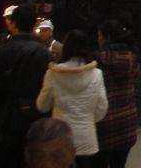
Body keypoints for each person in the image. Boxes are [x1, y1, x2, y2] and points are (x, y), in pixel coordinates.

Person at [0, 4, 52, 168]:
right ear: (34, 25)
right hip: (35, 120)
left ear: (12, 23)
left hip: (4, 121)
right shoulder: (44, 53)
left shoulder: (3, 51)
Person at [36, 30, 108, 167]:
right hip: (87, 138)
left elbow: (42, 105)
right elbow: (102, 108)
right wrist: (87, 119)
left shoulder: (52, 73)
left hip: (59, 137)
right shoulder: (96, 74)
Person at [93, 20, 139, 168]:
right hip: (126, 122)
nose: (98, 38)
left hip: (102, 124)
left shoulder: (97, 60)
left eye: (100, 35)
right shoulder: (133, 59)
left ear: (108, 37)